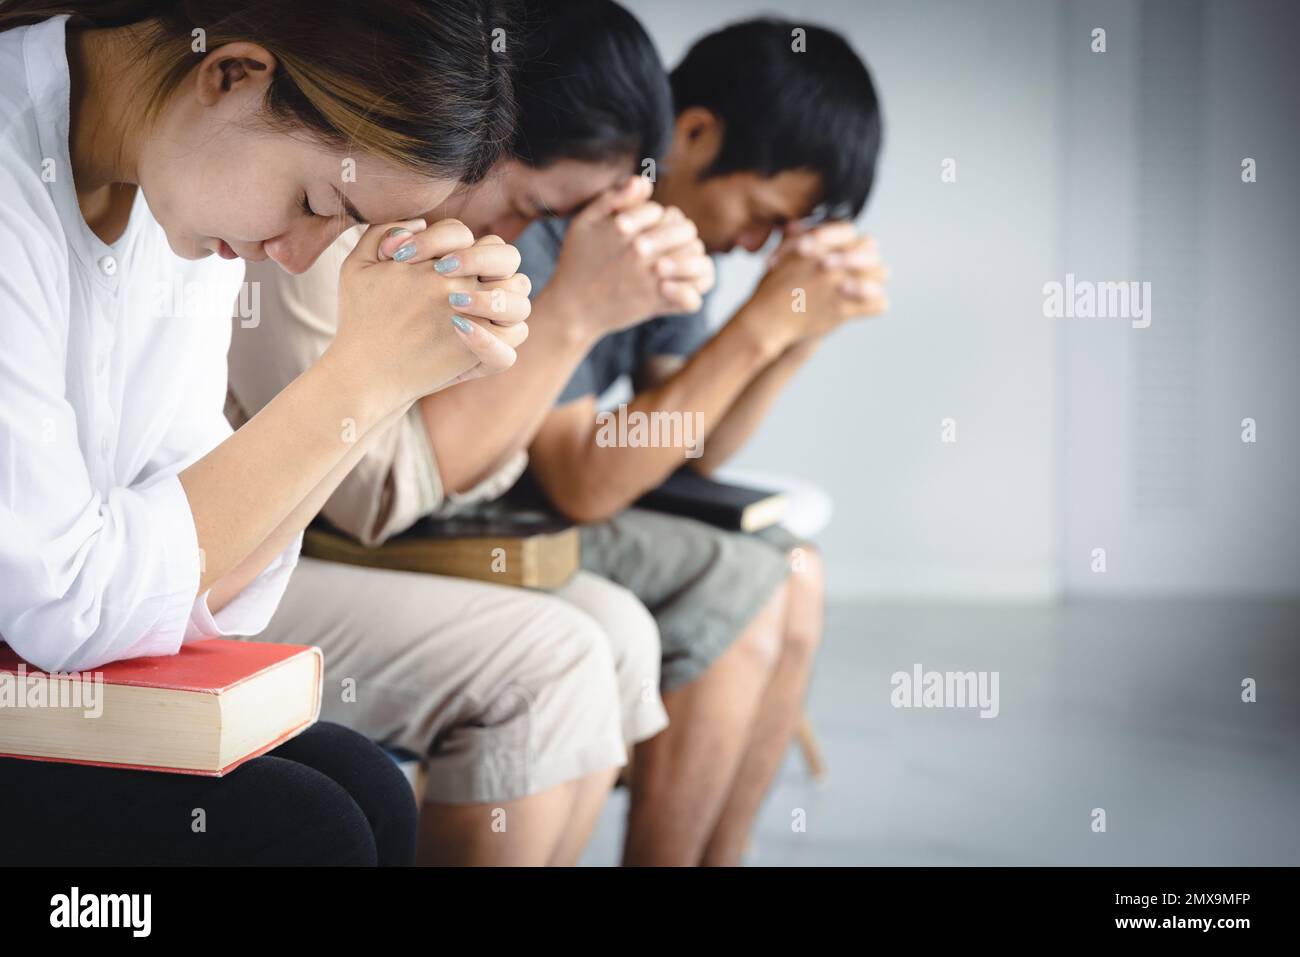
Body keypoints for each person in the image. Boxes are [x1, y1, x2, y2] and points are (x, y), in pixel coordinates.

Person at [0, 0, 525, 865]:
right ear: (233, 74)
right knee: (307, 829)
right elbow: (70, 602)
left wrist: (397, 374)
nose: (297, 252)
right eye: (318, 199)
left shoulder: (182, 202)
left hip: (41, 670)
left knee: (368, 786)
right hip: (38, 653)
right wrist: (363, 375)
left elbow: (193, 551)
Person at [225, 0, 694, 865]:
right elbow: (375, 497)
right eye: (528, 204)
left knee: (621, 631)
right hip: (253, 561)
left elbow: (463, 473)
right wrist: (575, 314)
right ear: (481, 138)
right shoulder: (323, 214)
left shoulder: (433, 234)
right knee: (549, 664)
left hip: (313, 551)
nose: (518, 235)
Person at [510, 17, 889, 865]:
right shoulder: (563, 210)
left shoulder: (683, 237)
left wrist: (798, 333)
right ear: (694, 131)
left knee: (800, 570)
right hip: (499, 510)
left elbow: (693, 448)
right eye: (760, 214)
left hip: (562, 500)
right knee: (750, 592)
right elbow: (581, 485)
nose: (753, 245)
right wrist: (760, 325)